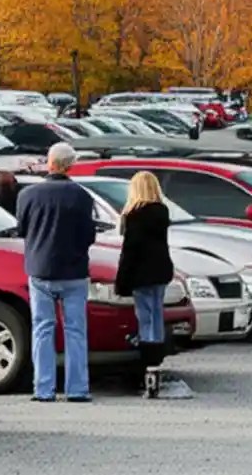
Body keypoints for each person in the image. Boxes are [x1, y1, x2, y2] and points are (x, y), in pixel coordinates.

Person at [15, 142, 98, 403]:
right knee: (76, 331)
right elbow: (88, 235)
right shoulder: (82, 196)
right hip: (73, 271)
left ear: (49, 163)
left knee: (42, 329)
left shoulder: (28, 195)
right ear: (71, 165)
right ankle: (77, 389)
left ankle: (44, 389)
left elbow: (22, 230)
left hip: (40, 269)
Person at [114, 171, 174, 380]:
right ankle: (157, 357)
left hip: (141, 272)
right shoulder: (162, 212)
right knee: (156, 313)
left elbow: (130, 250)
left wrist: (121, 281)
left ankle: (148, 361)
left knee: (145, 316)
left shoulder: (134, 215)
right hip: (161, 270)